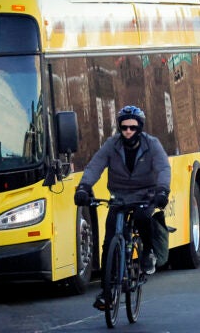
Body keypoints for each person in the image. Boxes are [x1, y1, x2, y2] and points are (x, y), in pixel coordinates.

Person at [73, 105, 171, 311]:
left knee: (144, 218)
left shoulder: (152, 144)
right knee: (109, 241)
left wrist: (162, 191)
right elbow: (95, 166)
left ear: (140, 128)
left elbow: (163, 167)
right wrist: (83, 187)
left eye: (133, 128)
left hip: (146, 194)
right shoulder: (112, 144)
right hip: (120, 196)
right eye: (124, 127)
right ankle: (107, 293)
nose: (128, 131)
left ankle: (148, 253)